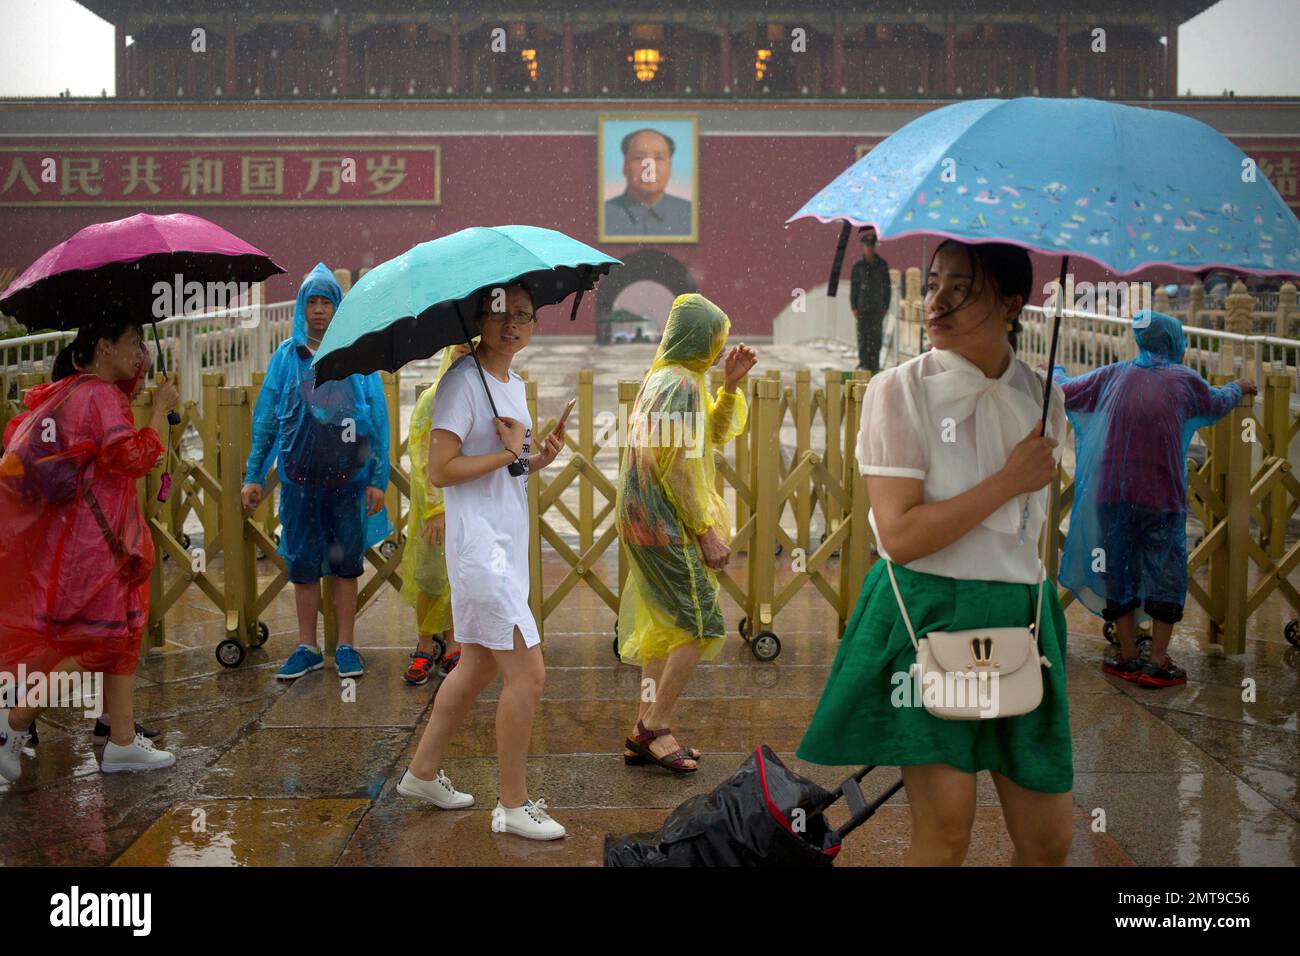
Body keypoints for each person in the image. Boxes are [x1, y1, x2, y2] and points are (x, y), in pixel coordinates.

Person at [798, 239, 1074, 866]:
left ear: (1012, 301)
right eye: (931, 283)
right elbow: (898, 534)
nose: (935, 300)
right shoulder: (899, 391)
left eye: (960, 286)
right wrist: (1006, 480)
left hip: (1023, 615)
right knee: (946, 830)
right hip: (928, 608)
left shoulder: (1045, 398)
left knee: (1049, 840)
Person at [395, 284, 568, 840]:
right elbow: (440, 469)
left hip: (505, 544)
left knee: (478, 666)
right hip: (479, 551)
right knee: (529, 674)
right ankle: (512, 805)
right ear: (478, 320)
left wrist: (533, 457)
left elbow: (506, 467)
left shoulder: (511, 384)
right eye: (500, 314)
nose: (512, 324)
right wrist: (506, 451)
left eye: (523, 315)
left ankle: (422, 772)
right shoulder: (461, 384)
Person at [0, 314, 180, 782]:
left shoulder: (77, 392)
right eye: (133, 341)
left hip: (93, 540)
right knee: (99, 641)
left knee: (123, 635)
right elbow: (132, 458)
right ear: (104, 347)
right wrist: (159, 411)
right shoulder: (99, 396)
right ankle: (13, 721)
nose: (140, 352)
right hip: (95, 547)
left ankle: (121, 742)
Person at [1052, 310, 1254, 688]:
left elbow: (1066, 391)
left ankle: (1127, 655)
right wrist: (1238, 388)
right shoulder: (1186, 381)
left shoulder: (1113, 375)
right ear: (1174, 341)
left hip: (1113, 492)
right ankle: (1158, 660)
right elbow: (1215, 403)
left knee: (1118, 569)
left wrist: (1058, 369)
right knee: (1166, 571)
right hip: (1162, 496)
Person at [616, 294, 756, 773]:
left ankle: (644, 726)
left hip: (643, 520)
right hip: (663, 524)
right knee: (702, 623)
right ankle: (656, 727)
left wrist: (730, 386)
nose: (720, 349)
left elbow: (709, 437)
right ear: (698, 337)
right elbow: (676, 470)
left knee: (664, 629)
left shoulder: (673, 379)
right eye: (716, 339)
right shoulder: (681, 386)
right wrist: (705, 532)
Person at [240, 264, 391, 681]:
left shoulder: (356, 355)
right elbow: (268, 417)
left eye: (326, 302)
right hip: (299, 482)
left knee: (346, 567)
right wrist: (255, 473)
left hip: (349, 481)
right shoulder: (286, 359)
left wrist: (378, 479)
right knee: (302, 565)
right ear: (302, 308)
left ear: (337, 307)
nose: (319, 310)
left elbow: (376, 418)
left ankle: (346, 645)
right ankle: (306, 646)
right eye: (313, 302)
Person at [399, 341, 472, 685]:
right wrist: (434, 508)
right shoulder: (433, 400)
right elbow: (422, 458)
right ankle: (426, 645)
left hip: (469, 503)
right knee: (431, 575)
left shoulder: (482, 399)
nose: (464, 359)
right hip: (438, 506)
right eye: (458, 352)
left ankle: (456, 642)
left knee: (460, 574)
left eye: (471, 353)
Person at [603, 128, 693, 237]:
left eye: (659, 158)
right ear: (625, 165)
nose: (650, 168)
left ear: (670, 167)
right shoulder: (602, 215)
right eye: (639, 158)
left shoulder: (691, 214)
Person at [850, 226, 891, 373]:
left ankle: (874, 365)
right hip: (862, 307)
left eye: (871, 246)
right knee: (863, 337)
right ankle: (864, 363)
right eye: (867, 246)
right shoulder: (858, 266)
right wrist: (853, 306)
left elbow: (887, 287)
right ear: (863, 247)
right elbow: (854, 287)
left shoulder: (882, 265)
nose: (869, 248)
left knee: (875, 338)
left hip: (877, 307)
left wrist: (885, 305)